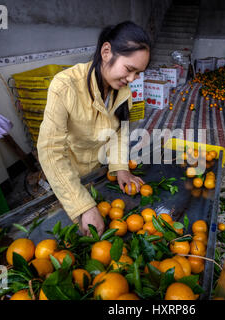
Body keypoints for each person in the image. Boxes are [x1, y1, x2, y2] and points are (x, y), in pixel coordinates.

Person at [37, 21, 150, 237]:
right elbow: (50, 150)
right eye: (129, 69)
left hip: (97, 173)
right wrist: (83, 206)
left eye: (138, 73)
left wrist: (120, 167)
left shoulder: (123, 92)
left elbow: (119, 132)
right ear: (107, 52)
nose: (132, 79)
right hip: (67, 177)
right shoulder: (65, 86)